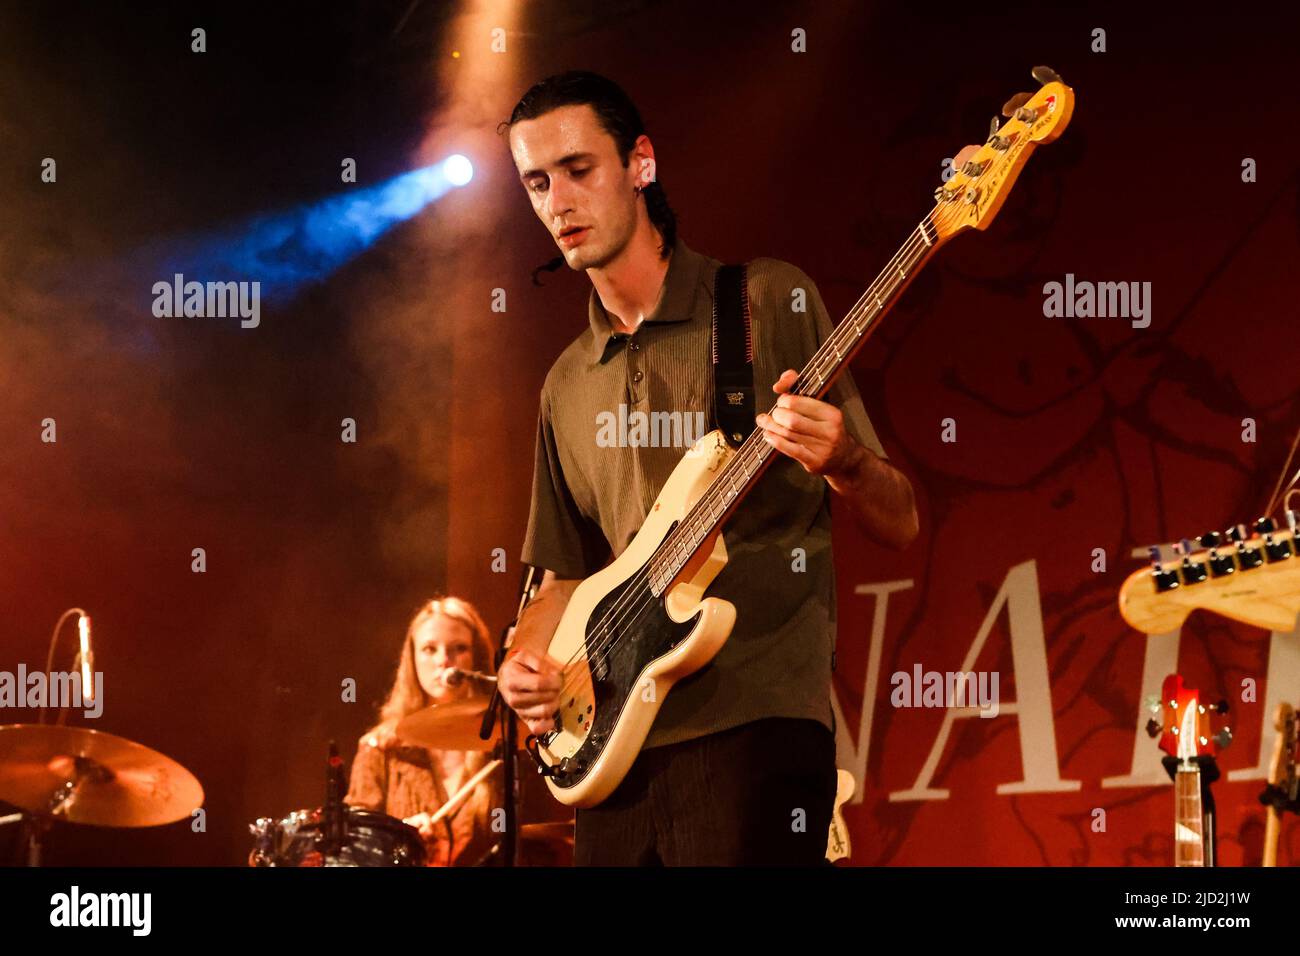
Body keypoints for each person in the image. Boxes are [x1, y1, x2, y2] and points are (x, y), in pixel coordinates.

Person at [498, 71, 919, 865]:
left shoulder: (766, 301)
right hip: (610, 749)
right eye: (537, 182)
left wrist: (846, 460)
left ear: (642, 164)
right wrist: (522, 664)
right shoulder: (565, 382)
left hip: (753, 724)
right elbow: (557, 578)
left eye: (580, 170)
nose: (559, 200)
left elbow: (900, 520)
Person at [346, 596, 502, 866]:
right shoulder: (380, 747)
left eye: (459, 648)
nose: (444, 660)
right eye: (429, 649)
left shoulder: (505, 742)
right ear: (412, 659)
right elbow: (355, 846)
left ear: (476, 657)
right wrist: (398, 834)